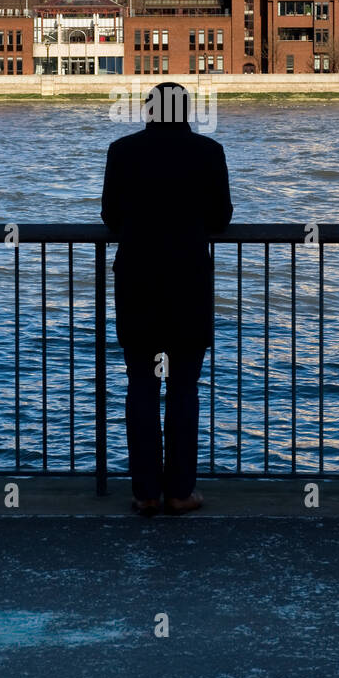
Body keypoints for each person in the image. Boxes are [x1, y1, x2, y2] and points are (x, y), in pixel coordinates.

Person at [101, 82, 233, 516]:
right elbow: (221, 217)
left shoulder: (122, 151)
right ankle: (180, 491)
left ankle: (146, 494)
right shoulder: (208, 153)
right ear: (187, 111)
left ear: (148, 110)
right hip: (188, 281)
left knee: (140, 384)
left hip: (137, 281)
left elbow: (110, 217)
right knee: (183, 388)